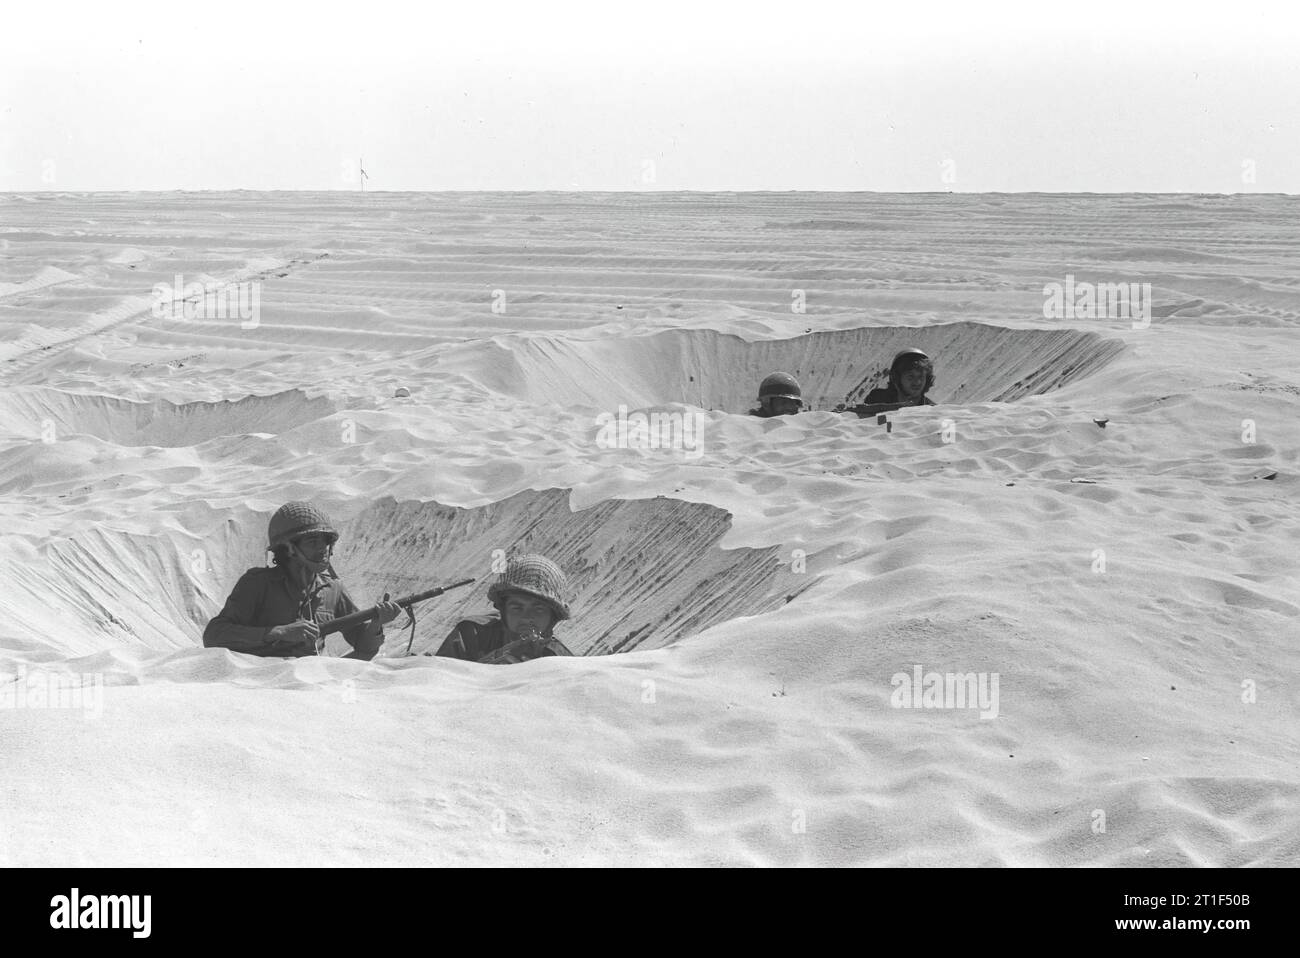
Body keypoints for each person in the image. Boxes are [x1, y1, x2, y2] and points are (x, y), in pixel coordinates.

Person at [203, 501, 401, 659]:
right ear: (289, 548)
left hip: (311, 687)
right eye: (312, 541)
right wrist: (277, 632)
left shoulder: (333, 588)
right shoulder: (258, 584)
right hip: (261, 684)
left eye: (325, 541)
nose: (323, 548)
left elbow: (364, 647)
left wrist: (377, 623)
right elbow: (214, 635)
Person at [432, 554, 574, 663]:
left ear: (553, 617)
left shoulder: (562, 660)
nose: (526, 617)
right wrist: (493, 664)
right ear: (503, 610)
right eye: (517, 608)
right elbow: (434, 685)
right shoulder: (471, 635)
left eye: (538, 609)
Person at [842, 348, 936, 416]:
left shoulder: (932, 409)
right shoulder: (878, 397)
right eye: (910, 377)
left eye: (921, 377)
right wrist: (896, 408)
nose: (917, 382)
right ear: (897, 378)